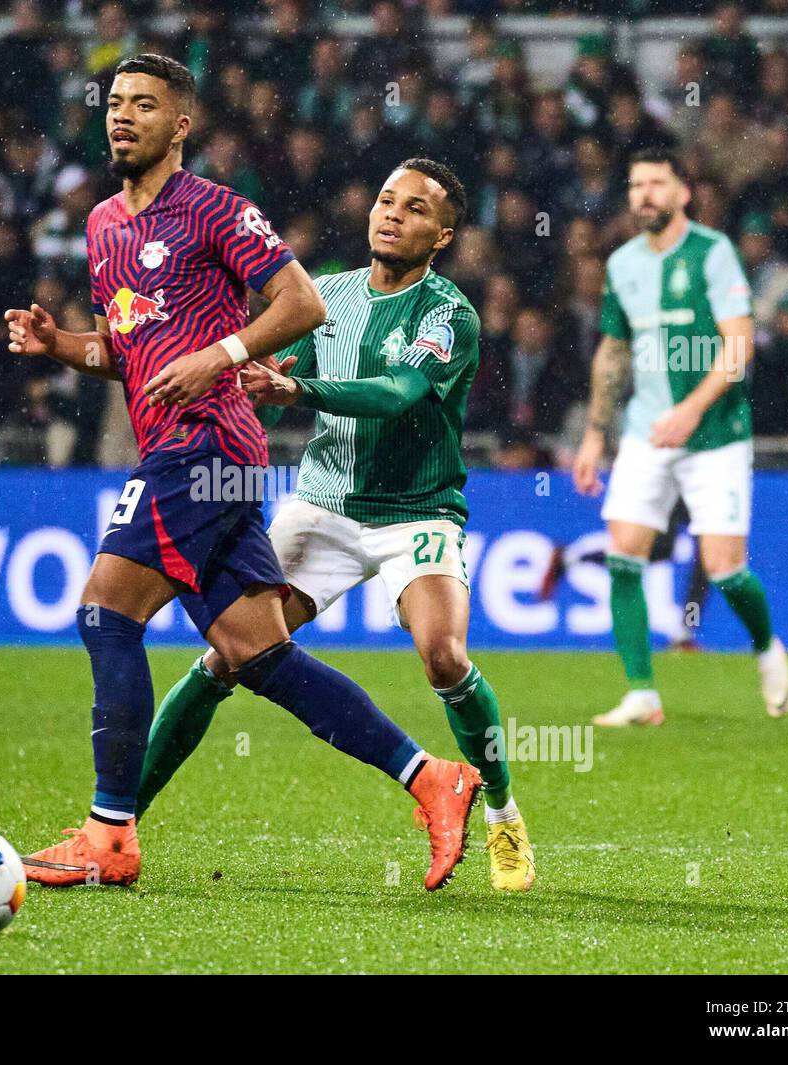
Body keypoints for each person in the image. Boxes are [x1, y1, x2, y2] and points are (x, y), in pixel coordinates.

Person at [5, 55, 480, 890]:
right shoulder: (103, 227)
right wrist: (62, 348)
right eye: (115, 104)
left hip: (208, 443)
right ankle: (430, 776)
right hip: (179, 443)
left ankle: (109, 832)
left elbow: (302, 304)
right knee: (254, 652)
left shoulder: (216, 209)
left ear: (178, 126)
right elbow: (129, 350)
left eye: (144, 106)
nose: (123, 118)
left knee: (104, 614)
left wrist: (219, 355)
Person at [135, 159, 536, 892]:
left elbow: (396, 392)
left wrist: (297, 388)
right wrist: (240, 389)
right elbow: (264, 375)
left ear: (442, 234)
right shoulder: (329, 297)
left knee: (444, 657)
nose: (392, 215)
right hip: (321, 505)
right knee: (229, 654)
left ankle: (503, 812)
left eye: (415, 209)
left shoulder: (449, 316)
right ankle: (119, 821)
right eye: (385, 200)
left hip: (416, 509)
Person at [572, 148, 788, 726]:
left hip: (715, 434)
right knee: (624, 553)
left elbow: (739, 343)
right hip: (648, 432)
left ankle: (766, 646)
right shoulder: (621, 263)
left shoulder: (713, 253)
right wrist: (597, 433)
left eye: (656, 183)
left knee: (725, 568)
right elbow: (614, 350)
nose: (644, 193)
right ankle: (643, 694)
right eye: (636, 183)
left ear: (682, 193)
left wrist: (693, 409)